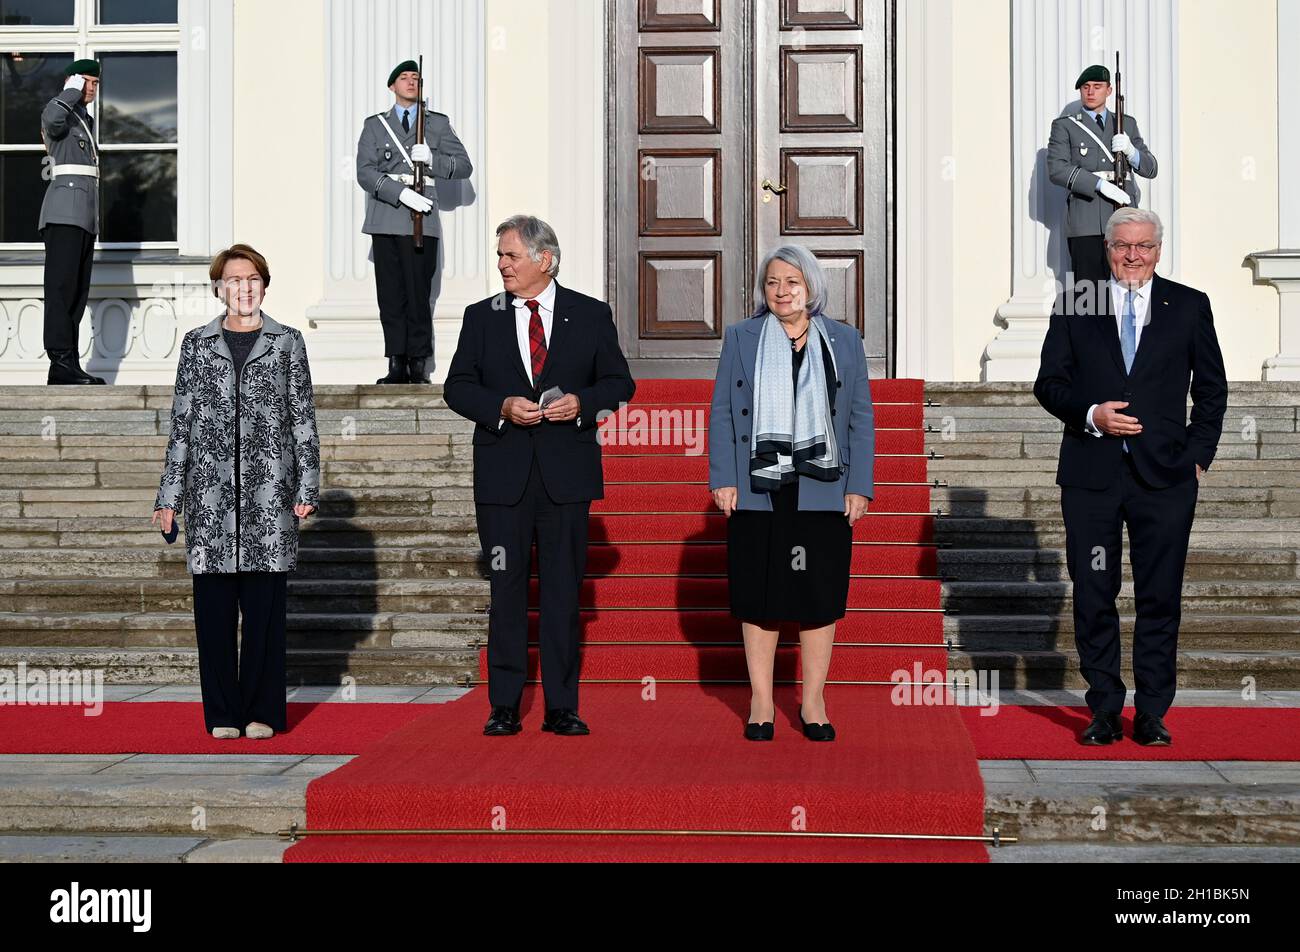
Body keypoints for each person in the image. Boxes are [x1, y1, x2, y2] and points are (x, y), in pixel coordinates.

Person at [1034, 208, 1227, 746]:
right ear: (1107, 247)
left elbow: (1212, 391)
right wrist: (1091, 414)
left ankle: (1151, 712)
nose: (1133, 256)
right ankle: (1103, 709)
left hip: (1165, 477)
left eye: (1144, 246)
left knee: (1159, 595)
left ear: (1158, 250)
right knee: (1094, 591)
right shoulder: (1077, 301)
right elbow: (1049, 383)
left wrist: (1196, 455)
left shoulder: (1189, 305)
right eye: (1123, 245)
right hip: (1091, 474)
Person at [444, 215, 635, 737]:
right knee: (506, 590)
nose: (501, 264)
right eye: (500, 256)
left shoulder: (590, 314)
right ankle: (503, 704)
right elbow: (456, 386)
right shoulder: (481, 316)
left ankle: (561, 707)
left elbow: (620, 382)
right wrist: (501, 406)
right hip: (503, 476)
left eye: (510, 255)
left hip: (565, 478)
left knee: (561, 594)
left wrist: (582, 404)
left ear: (543, 259)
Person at [152, 244, 321, 740]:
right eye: (233, 280)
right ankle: (223, 713)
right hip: (210, 503)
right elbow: (181, 423)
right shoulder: (197, 345)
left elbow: (302, 419)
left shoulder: (287, 343)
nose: (243, 288)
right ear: (219, 287)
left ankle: (262, 712)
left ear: (263, 285)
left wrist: (308, 482)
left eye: (252, 279)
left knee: (266, 618)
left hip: (270, 498)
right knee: (215, 617)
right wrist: (169, 498)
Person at [708, 245, 876, 742]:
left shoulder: (844, 340)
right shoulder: (743, 336)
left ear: (812, 287)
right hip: (758, 484)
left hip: (822, 485)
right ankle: (760, 699)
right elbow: (721, 410)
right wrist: (723, 476)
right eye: (772, 283)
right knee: (757, 595)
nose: (781, 292)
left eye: (792, 283)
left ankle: (813, 701)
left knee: (817, 595)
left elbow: (861, 417)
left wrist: (860, 485)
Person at [356, 59, 473, 385]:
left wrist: (434, 161)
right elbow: (365, 172)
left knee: (419, 294)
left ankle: (418, 363)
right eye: (404, 78)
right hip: (386, 220)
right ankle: (396, 362)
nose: (410, 82)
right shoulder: (375, 126)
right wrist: (400, 194)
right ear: (392, 86)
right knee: (391, 295)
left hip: (422, 221)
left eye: (416, 78)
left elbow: (464, 166)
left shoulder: (436, 124)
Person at [1047, 64, 1158, 285]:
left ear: (1109, 91)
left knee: (1127, 286)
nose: (1090, 92)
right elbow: (1057, 169)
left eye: (1097, 87)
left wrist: (1131, 151)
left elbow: (1150, 169)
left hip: (1124, 220)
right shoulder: (1066, 126)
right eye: (1085, 87)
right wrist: (1099, 184)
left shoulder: (1127, 123)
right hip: (1086, 221)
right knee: (1089, 294)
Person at [40, 58, 104, 385]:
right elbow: (51, 119)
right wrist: (70, 92)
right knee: (61, 288)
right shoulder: (62, 112)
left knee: (77, 292)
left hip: (83, 216)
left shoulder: (84, 121)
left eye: (94, 83)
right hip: (64, 212)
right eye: (86, 81)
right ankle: (59, 360)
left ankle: (68, 363)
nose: (91, 88)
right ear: (73, 81)